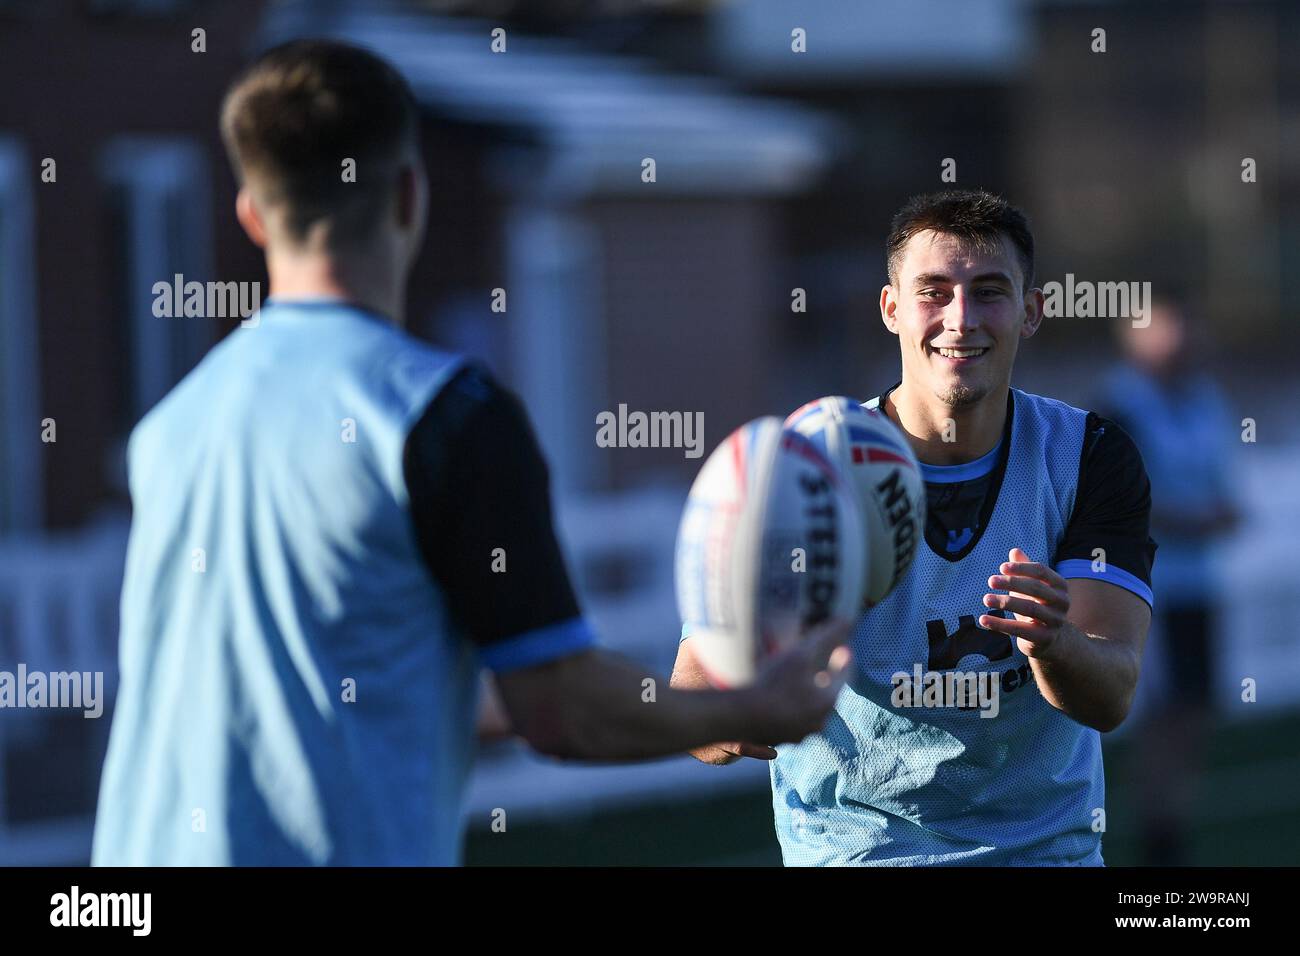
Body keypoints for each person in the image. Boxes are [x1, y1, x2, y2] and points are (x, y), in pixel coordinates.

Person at [91, 39, 849, 866]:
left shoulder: (169, 426)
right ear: (411, 195)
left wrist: (676, 702)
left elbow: (359, 679)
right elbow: (557, 711)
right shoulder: (444, 414)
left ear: (249, 213)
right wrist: (744, 712)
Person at [672, 190, 1158, 866]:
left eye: (989, 292)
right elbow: (693, 692)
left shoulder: (1087, 456)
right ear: (891, 308)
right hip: (855, 854)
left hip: (1041, 855)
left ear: (1032, 310)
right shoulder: (808, 463)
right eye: (934, 292)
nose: (961, 319)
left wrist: (1055, 642)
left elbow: (1111, 695)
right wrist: (729, 716)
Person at [1096, 297, 1240, 865]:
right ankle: (1150, 838)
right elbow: (1112, 504)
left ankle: (1172, 831)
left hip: (1201, 587)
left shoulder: (1207, 397)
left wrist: (1220, 515)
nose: (1180, 339)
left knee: (1193, 712)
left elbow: (1225, 489)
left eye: (1187, 325)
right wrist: (1185, 518)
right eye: (1165, 328)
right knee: (1154, 716)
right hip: (1144, 593)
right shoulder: (1118, 406)